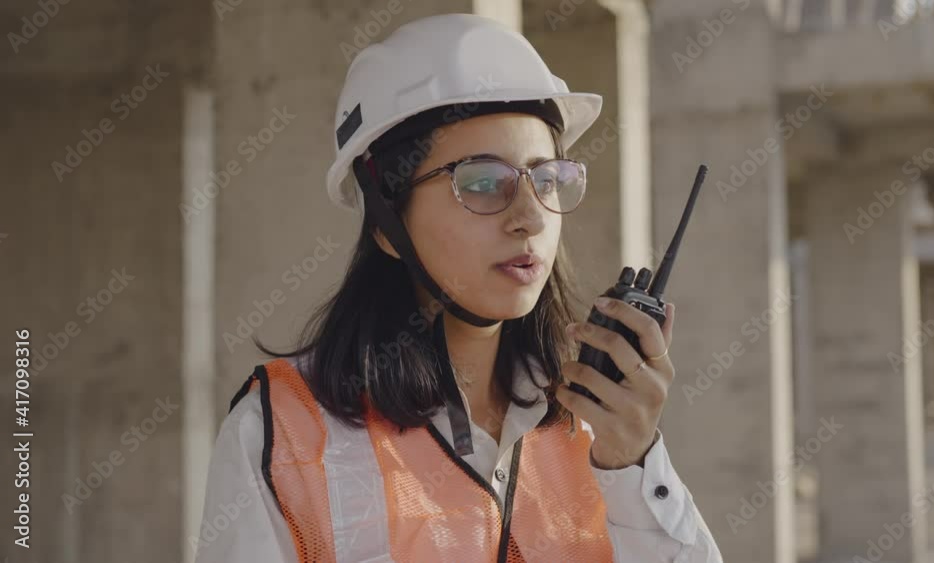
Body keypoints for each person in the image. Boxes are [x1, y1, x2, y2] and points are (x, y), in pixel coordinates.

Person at [194, 12, 722, 563]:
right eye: (483, 182)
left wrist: (634, 466)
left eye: (547, 180)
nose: (531, 218)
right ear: (386, 226)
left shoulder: (593, 420)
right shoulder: (282, 433)